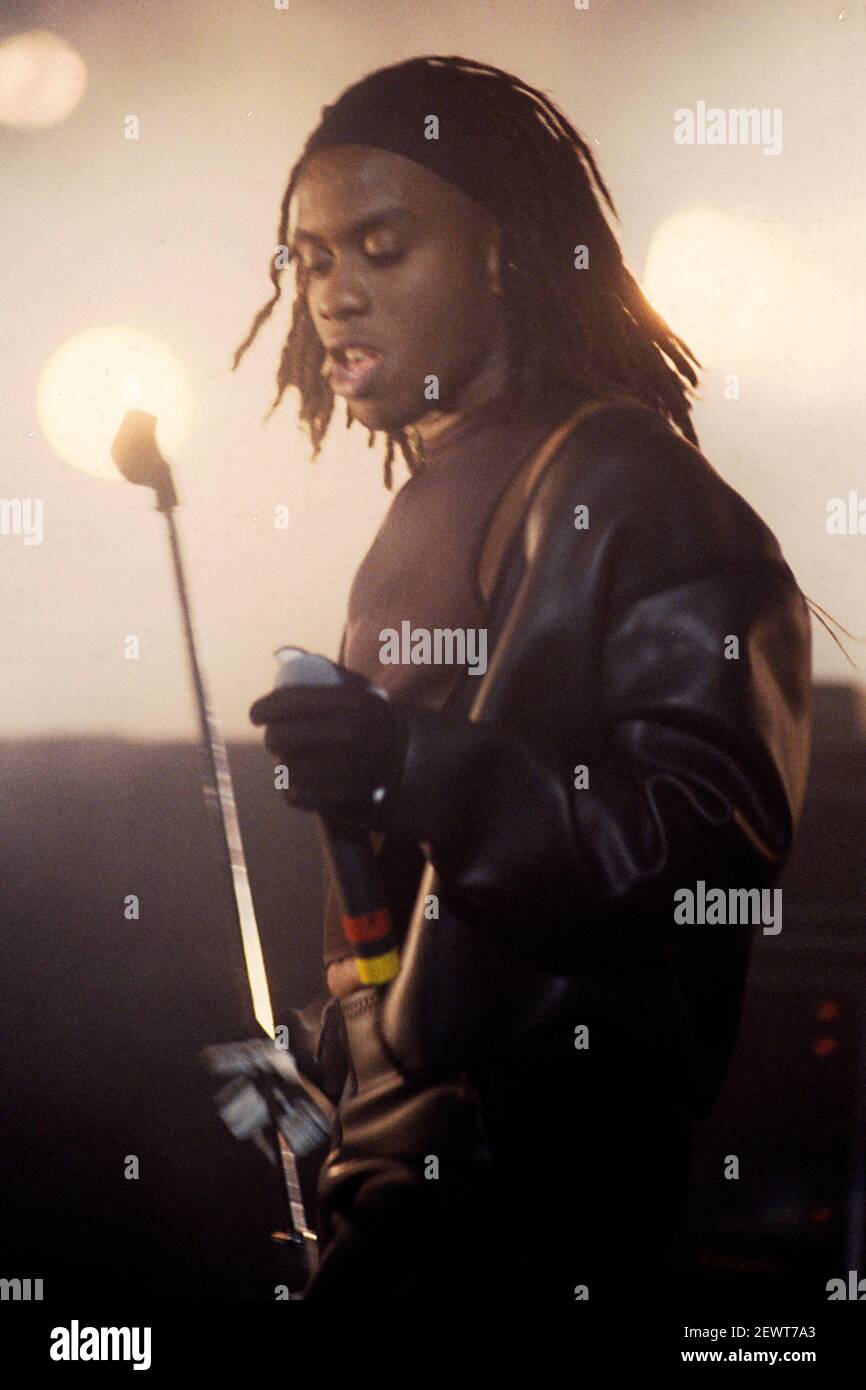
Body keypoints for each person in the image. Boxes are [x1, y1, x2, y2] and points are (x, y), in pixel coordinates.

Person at [234, 56, 814, 1300]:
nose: (335, 295)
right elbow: (405, 911)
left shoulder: (628, 492)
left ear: (506, 256)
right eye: (313, 258)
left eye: (382, 247)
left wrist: (413, 763)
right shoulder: (432, 498)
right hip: (403, 1179)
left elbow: (701, 844)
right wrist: (315, 1071)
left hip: (540, 1200)